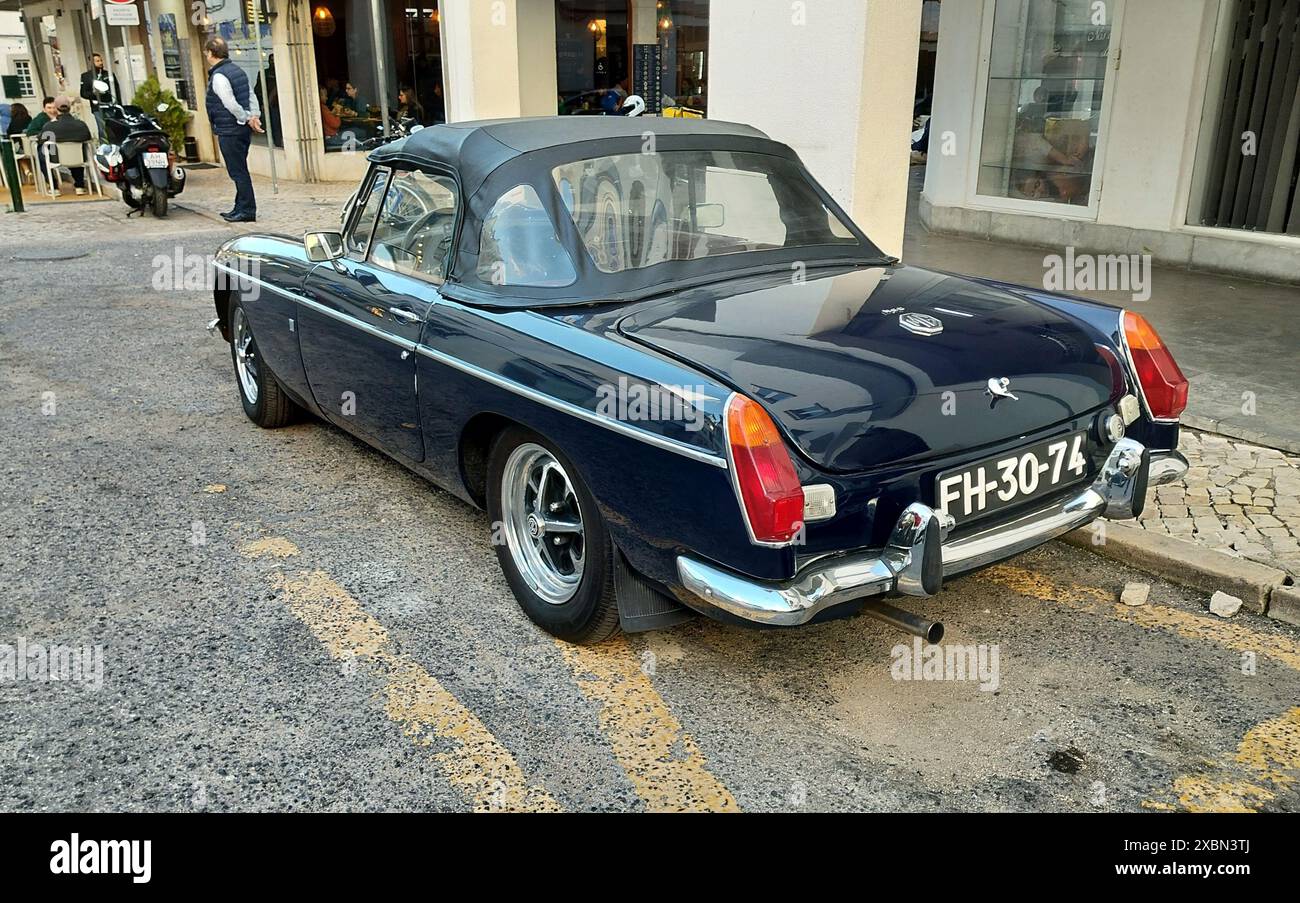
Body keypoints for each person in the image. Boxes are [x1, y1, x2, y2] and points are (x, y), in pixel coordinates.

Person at [204, 36, 264, 223]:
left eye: (206, 53)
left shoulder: (220, 76)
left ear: (211, 53)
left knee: (238, 172)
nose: (206, 56)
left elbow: (230, 103)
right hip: (240, 130)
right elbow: (251, 95)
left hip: (230, 129)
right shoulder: (238, 70)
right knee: (240, 169)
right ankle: (239, 207)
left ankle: (246, 210)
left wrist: (246, 118)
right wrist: (254, 116)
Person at [37, 99, 93, 196]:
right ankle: (79, 185)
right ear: (69, 108)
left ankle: (54, 187)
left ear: (56, 110)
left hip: (56, 158)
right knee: (79, 149)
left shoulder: (49, 126)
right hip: (78, 158)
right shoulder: (81, 124)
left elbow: (41, 139)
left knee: (42, 151)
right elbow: (87, 137)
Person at [79, 52, 120, 140]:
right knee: (102, 129)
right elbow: (83, 93)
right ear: (91, 63)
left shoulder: (108, 74)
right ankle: (104, 147)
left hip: (110, 104)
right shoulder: (86, 76)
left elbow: (116, 89)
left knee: (114, 127)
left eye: (101, 60)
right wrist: (94, 94)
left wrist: (118, 104)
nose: (100, 63)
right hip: (97, 106)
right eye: (97, 61)